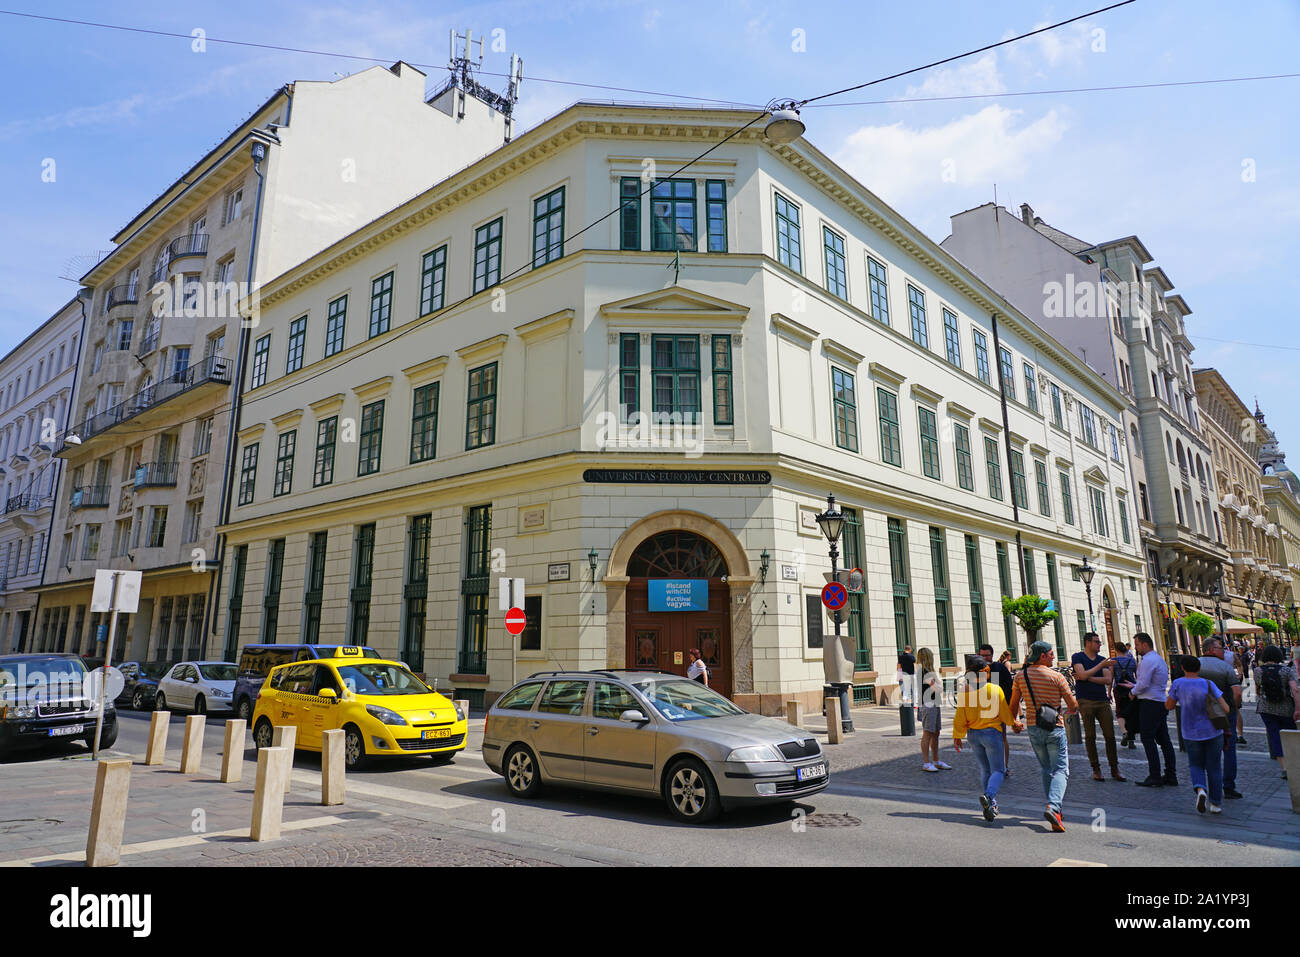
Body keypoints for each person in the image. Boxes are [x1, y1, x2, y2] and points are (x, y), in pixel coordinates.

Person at [1008, 640, 1078, 832]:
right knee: (1061, 769)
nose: (1054, 656)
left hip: (1033, 727)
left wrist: (1014, 722)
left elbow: (1013, 704)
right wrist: (1068, 710)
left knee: (1046, 768)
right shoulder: (1057, 677)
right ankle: (1054, 807)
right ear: (1043, 656)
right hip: (1054, 726)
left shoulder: (1020, 676)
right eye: (1051, 653)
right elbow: (1073, 706)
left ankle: (1056, 813)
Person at [954, 654, 1023, 821]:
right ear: (985, 671)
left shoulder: (965, 691)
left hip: (973, 735)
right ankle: (989, 796)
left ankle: (990, 806)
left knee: (985, 770)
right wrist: (1014, 724)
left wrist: (957, 736)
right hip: (992, 733)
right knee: (999, 770)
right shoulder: (994, 689)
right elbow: (1004, 714)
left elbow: (960, 716)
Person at [1165, 655, 1227, 814]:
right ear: (1199, 668)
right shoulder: (1208, 683)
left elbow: (1169, 706)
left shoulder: (1178, 684)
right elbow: (1225, 708)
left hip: (1190, 732)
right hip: (1213, 731)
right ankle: (1216, 804)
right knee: (1214, 767)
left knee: (1195, 764)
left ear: (1183, 668)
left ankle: (1200, 789)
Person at [1120, 632, 1178, 788]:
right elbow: (1148, 683)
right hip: (1159, 702)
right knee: (1164, 740)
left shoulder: (1148, 660)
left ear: (1145, 644)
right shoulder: (1158, 659)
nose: (1136, 648)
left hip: (1150, 704)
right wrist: (1134, 686)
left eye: (1137, 645)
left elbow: (1144, 683)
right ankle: (1171, 774)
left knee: (1148, 738)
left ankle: (1155, 776)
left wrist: (1132, 692)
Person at [1071, 633, 1125, 782]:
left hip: (1102, 701)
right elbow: (1080, 675)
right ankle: (1096, 768)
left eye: (1099, 642)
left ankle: (1115, 768)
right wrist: (1098, 669)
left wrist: (1088, 677)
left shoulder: (1102, 660)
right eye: (1097, 642)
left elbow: (1107, 680)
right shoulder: (1078, 657)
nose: (1099, 645)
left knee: (1110, 736)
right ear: (1088, 643)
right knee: (1090, 736)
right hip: (1085, 700)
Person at [1199, 637, 1242, 799]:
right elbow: (1237, 693)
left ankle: (1204, 785)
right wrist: (1234, 707)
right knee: (1229, 748)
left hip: (1202, 712)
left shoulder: (1195, 665)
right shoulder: (1225, 667)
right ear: (1210, 650)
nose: (1223, 651)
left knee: (1205, 748)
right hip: (1224, 712)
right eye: (1219, 648)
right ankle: (1228, 786)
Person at [1253, 644, 1300, 780]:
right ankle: (1295, 762)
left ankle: (1284, 768)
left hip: (1266, 708)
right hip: (1286, 708)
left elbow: (1257, 690)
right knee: (1290, 734)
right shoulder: (1287, 670)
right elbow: (1295, 690)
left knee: (1274, 735)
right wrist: (1297, 709)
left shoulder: (1257, 671)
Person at [980, 644, 1014, 770]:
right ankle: (990, 766)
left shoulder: (998, 668)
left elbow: (1009, 688)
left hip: (998, 709)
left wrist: (1008, 707)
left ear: (992, 655)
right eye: (982, 655)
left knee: (1001, 737)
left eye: (987, 655)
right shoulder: (977, 671)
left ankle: (1004, 766)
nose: (984, 658)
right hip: (982, 711)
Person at [916, 647, 950, 772]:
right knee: (928, 733)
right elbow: (937, 688)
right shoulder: (924, 672)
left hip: (933, 703)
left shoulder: (926, 672)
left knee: (936, 732)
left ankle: (936, 761)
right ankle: (926, 762)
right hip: (928, 704)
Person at [1112, 641, 1138, 748]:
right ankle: (1131, 741)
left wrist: (1109, 692)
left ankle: (1124, 732)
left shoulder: (1113, 661)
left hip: (1118, 688)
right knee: (1131, 713)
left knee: (1119, 711)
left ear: (1116, 650)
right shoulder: (1132, 660)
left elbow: (1110, 678)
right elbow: (1138, 676)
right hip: (1131, 688)